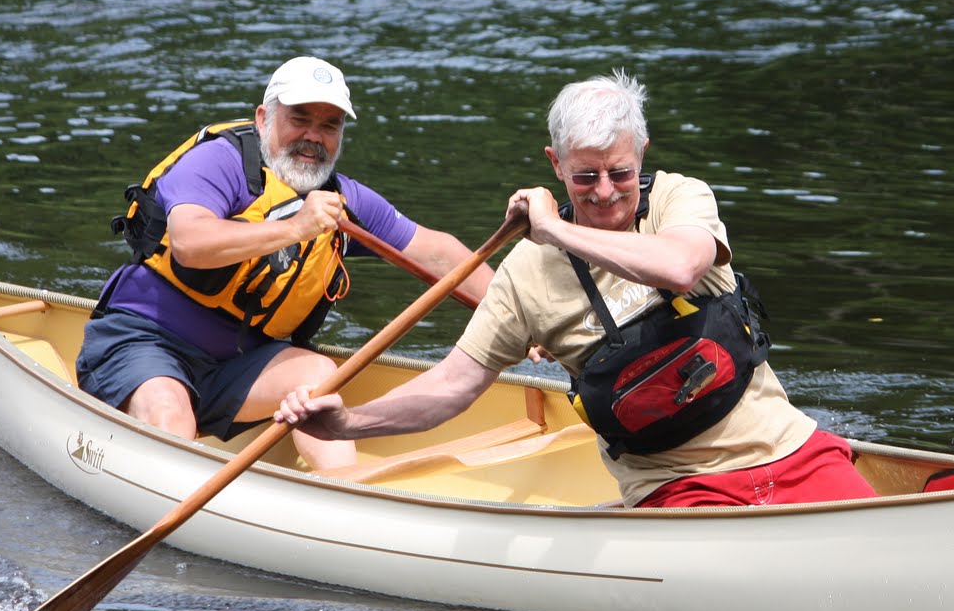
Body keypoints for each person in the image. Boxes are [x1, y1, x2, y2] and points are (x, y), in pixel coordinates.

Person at [274, 69, 880, 507]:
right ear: (555, 164)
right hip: (674, 490)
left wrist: (558, 229)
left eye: (621, 172)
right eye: (584, 176)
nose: (606, 192)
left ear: (642, 153)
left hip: (790, 450)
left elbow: (678, 269)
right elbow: (451, 389)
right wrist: (346, 424)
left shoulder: (677, 197)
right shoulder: (525, 275)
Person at [76, 55, 493, 471]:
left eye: (330, 125)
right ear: (263, 118)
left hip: (235, 368)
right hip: (144, 341)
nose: (313, 136)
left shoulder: (345, 201)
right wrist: (298, 227)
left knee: (317, 376)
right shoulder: (221, 162)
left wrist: (517, 315)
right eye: (300, 119)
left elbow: (440, 254)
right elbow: (189, 242)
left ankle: (346, 494)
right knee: (170, 411)